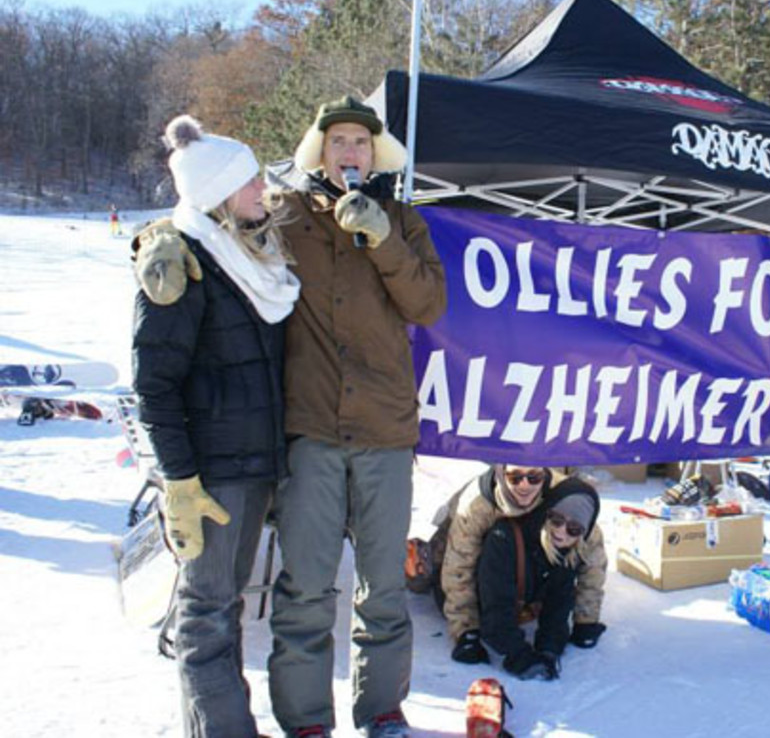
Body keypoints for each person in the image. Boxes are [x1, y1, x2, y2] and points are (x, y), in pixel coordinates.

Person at [134, 96, 446, 738]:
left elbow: (429, 305)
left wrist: (383, 241)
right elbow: (209, 224)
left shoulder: (404, 221)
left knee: (383, 590)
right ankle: (306, 721)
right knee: (304, 591)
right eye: (339, 142)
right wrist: (154, 236)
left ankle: (382, 709)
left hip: (387, 431)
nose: (351, 152)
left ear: (375, 153)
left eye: (361, 142)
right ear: (320, 152)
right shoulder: (286, 213)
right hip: (309, 433)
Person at [133, 115, 299, 737]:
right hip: (209, 476)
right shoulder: (179, 262)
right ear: (218, 193)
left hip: (253, 468)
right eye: (252, 181)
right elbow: (154, 384)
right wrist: (180, 478)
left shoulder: (249, 259)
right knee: (204, 617)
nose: (264, 190)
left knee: (224, 612)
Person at [432, 464, 608, 666]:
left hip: (519, 543)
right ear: (501, 473)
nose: (525, 485)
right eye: (515, 477)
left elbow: (592, 559)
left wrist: (586, 619)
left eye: (533, 477)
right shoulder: (476, 505)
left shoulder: (563, 497)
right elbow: (458, 566)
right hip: (456, 538)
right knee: (432, 572)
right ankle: (419, 558)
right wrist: (466, 631)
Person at [475, 476, 602, 681]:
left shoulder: (568, 552)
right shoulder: (504, 539)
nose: (562, 532)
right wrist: (518, 654)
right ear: (546, 513)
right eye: (557, 520)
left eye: (574, 529)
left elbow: (559, 606)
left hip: (521, 603)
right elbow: (496, 610)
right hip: (469, 595)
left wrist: (549, 649)